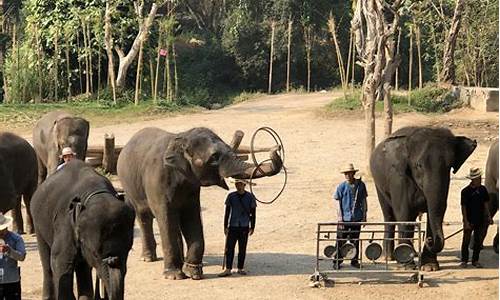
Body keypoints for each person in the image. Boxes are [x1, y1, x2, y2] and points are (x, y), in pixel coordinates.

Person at [218, 179, 256, 277]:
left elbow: (253, 213)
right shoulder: (231, 196)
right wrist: (225, 226)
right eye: (236, 184)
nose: (238, 186)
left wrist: (252, 226)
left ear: (244, 185)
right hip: (233, 225)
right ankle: (228, 269)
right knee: (229, 248)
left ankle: (240, 268)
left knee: (242, 249)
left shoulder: (250, 197)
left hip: (244, 226)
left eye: (240, 184)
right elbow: (227, 212)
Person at [333, 163, 367, 269]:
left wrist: (365, 215)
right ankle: (337, 261)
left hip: (356, 217)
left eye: (349, 173)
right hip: (344, 218)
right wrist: (340, 218)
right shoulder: (341, 186)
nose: (347, 175)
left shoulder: (361, 185)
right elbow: (337, 202)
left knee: (355, 240)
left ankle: (354, 260)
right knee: (340, 240)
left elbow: (364, 201)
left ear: (353, 173)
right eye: (346, 173)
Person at [460, 167, 493, 268]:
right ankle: (464, 260)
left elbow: (486, 204)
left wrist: (489, 216)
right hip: (469, 219)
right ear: (473, 179)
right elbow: (463, 207)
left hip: (480, 219)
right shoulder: (465, 191)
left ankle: (475, 260)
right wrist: (465, 221)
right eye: (478, 178)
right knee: (466, 241)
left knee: (478, 241)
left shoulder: (483, 190)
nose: (480, 179)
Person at [0, 213, 26, 300]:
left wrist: (10, 251)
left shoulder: (16, 238)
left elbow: (22, 257)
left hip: (11, 281)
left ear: (6, 227)